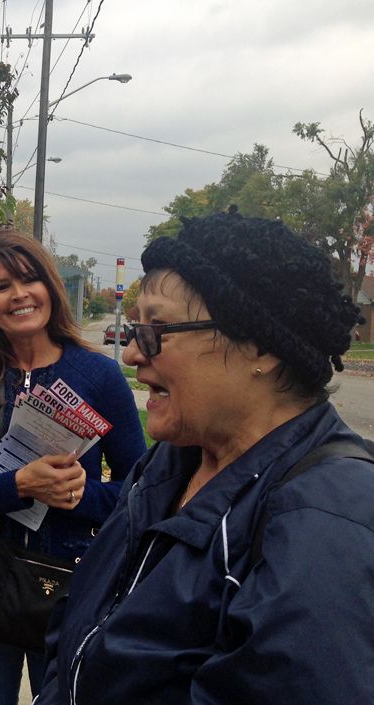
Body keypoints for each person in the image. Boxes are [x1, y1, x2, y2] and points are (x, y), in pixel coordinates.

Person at [37, 210, 374, 705]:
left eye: (157, 329)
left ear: (260, 346)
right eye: (134, 328)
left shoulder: (324, 519)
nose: (131, 354)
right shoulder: (170, 463)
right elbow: (84, 619)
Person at [0, 228, 147, 705]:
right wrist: (17, 485)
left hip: (74, 588)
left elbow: (142, 491)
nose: (19, 295)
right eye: (2, 286)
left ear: (50, 288)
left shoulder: (100, 376)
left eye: (30, 280)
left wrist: (81, 496)